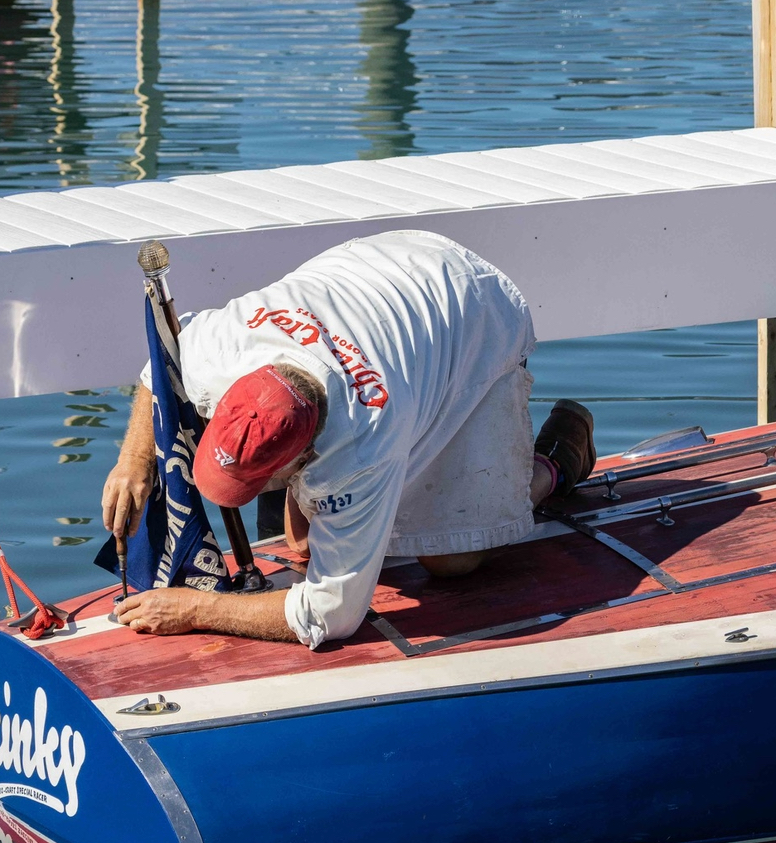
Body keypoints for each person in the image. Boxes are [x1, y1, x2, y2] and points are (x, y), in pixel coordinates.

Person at [101, 229, 596, 649]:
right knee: (302, 543)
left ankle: (556, 460)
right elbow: (162, 364)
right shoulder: (223, 345)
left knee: (451, 561)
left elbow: (330, 615)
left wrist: (197, 609)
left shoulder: (363, 447)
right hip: (379, 265)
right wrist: (135, 461)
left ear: (308, 454)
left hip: (472, 310)